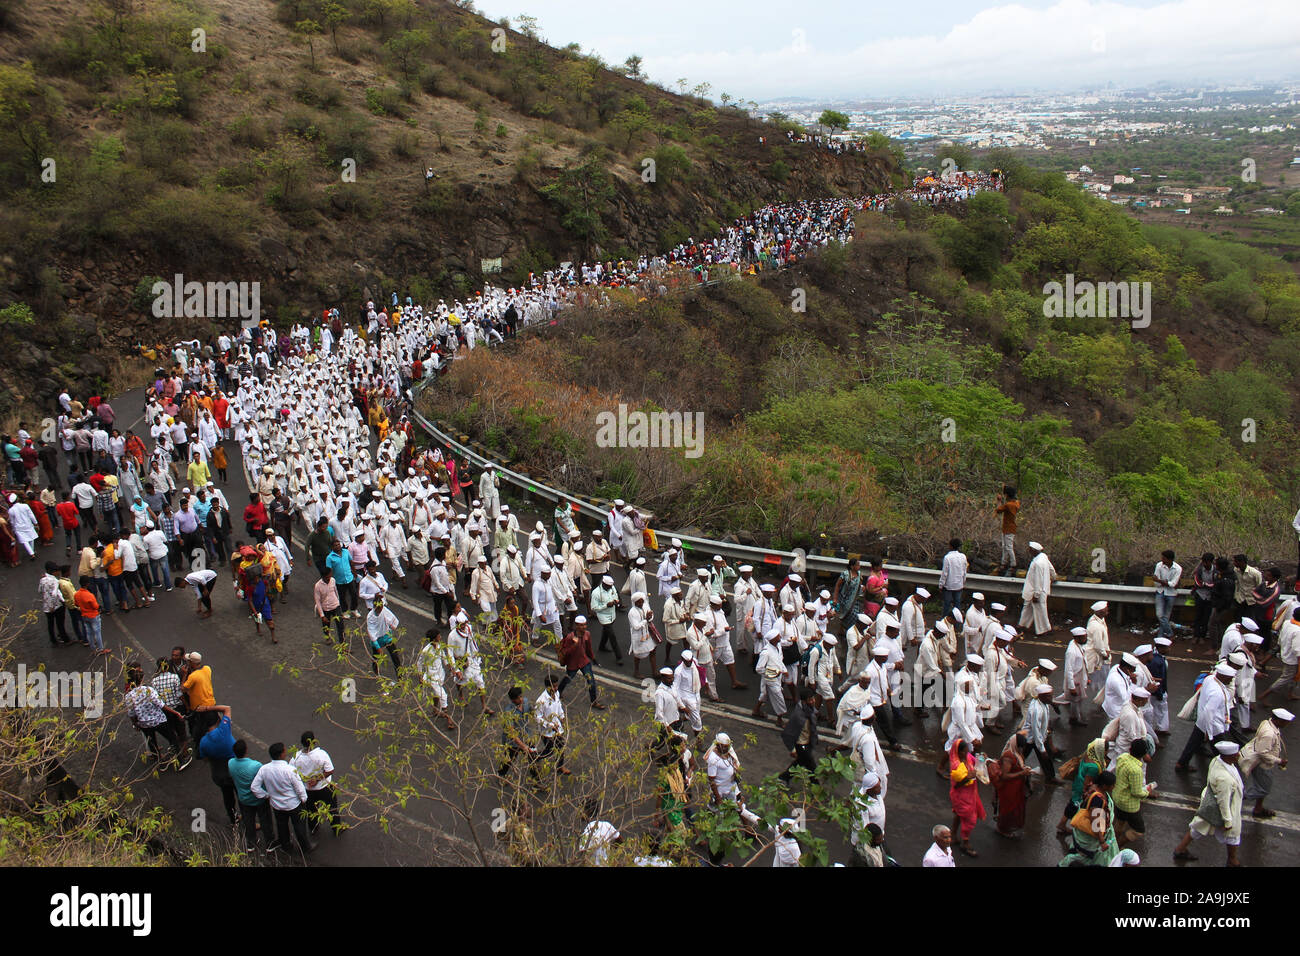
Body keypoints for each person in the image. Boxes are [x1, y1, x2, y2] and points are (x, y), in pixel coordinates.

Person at [1173, 741, 1245, 866]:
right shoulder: (1225, 778)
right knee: (1233, 833)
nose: (1238, 755)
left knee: (1198, 826)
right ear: (1229, 756)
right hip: (1225, 807)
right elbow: (1223, 801)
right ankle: (1232, 860)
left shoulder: (1217, 760)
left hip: (1210, 803)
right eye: (1236, 753)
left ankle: (1180, 849)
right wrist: (1228, 821)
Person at [251, 742, 315, 855]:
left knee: (282, 826)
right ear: (281, 754)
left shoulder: (264, 769)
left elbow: (254, 787)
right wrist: (303, 799)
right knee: (299, 826)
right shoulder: (290, 770)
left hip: (277, 805)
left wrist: (266, 795)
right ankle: (305, 847)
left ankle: (286, 845)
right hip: (293, 804)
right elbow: (300, 789)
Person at [124, 662, 185, 767]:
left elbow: (131, 713)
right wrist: (176, 713)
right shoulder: (148, 690)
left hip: (144, 723)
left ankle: (159, 762)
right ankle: (180, 760)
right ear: (141, 680)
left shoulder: (129, 696)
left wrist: (135, 724)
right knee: (172, 738)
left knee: (152, 742)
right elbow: (161, 705)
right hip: (158, 720)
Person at [1239, 707, 1292, 819]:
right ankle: (1236, 797)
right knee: (1263, 789)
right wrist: (1279, 761)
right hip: (1263, 765)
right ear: (1279, 720)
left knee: (1262, 785)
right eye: (1285, 722)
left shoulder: (1267, 723)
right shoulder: (1269, 734)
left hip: (1266, 762)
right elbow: (1262, 753)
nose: (1287, 724)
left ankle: (1258, 808)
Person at [1059, 770, 1118, 866]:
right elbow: (1095, 822)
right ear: (1104, 785)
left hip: (1087, 835)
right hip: (1090, 837)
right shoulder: (1097, 800)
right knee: (1084, 857)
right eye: (1112, 785)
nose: (1114, 787)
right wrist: (1102, 841)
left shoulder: (1095, 790)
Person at [292, 731, 344, 836]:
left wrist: (306, 780)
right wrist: (316, 779)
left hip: (308, 789)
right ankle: (336, 828)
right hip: (324, 787)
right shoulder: (321, 754)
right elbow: (330, 770)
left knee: (311, 810)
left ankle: (313, 828)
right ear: (313, 742)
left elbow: (292, 773)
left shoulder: (296, 757)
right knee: (332, 808)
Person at [196, 703, 240, 827]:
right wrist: (208, 708)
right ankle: (249, 822)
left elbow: (204, 758)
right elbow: (227, 708)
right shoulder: (224, 730)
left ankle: (233, 819)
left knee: (227, 797)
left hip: (218, 774)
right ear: (217, 720)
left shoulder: (203, 742)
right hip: (233, 771)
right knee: (241, 795)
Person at [228, 739, 273, 853]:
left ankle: (251, 843)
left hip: (243, 798)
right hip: (258, 799)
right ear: (246, 750)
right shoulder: (255, 765)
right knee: (265, 820)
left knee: (248, 820)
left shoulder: (231, 763)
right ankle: (269, 842)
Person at [1112, 738, 1156, 847]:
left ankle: (1111, 844)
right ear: (1143, 754)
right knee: (1138, 830)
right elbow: (1136, 792)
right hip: (1129, 805)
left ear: (1130, 749)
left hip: (1118, 797)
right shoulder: (1136, 770)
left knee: (1120, 823)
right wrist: (1147, 792)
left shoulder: (1122, 758)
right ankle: (1117, 846)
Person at [948, 737, 986, 857]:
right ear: (958, 752)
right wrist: (968, 777)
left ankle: (953, 835)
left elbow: (975, 761)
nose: (966, 753)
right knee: (969, 819)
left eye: (966, 751)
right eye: (963, 751)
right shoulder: (956, 765)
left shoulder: (967, 757)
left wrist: (982, 758)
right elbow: (957, 785)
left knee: (960, 815)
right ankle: (965, 842)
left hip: (970, 794)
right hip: (961, 796)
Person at [557, 616, 604, 709]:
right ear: (577, 626)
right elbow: (566, 652)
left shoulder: (587, 634)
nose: (584, 627)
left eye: (585, 625)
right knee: (567, 679)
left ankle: (593, 701)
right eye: (582, 625)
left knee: (591, 682)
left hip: (584, 662)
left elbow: (589, 649)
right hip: (573, 663)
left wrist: (593, 658)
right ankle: (558, 692)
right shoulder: (570, 637)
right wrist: (574, 645)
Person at [992, 733, 1031, 837]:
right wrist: (1022, 773)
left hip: (1017, 788)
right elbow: (1004, 776)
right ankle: (1002, 829)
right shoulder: (1008, 756)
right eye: (1020, 747)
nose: (1021, 749)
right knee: (1007, 809)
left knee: (1013, 808)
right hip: (1009, 789)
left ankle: (1007, 827)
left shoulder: (1017, 754)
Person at [779, 687, 820, 783]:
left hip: (807, 742)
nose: (813, 701)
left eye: (813, 698)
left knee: (800, 762)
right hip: (801, 745)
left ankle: (784, 777)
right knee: (812, 767)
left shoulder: (809, 710)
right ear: (804, 702)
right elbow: (787, 733)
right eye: (810, 700)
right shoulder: (798, 716)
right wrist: (793, 749)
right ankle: (816, 789)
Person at [534, 675, 571, 776]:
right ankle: (535, 758)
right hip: (547, 731)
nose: (556, 688)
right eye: (553, 687)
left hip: (557, 728)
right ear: (548, 687)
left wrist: (562, 717)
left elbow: (558, 707)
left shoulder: (557, 694)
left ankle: (560, 766)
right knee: (549, 750)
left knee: (560, 746)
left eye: (556, 686)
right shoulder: (541, 701)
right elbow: (538, 718)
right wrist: (550, 725)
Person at [1018, 541, 1057, 635]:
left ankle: (1044, 630)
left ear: (1034, 550)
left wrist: (1036, 594)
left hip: (1036, 590)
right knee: (1028, 608)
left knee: (1040, 611)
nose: (1029, 551)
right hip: (1034, 590)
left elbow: (1038, 580)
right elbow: (1051, 568)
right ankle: (1022, 625)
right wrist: (1054, 576)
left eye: (1030, 550)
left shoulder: (1038, 563)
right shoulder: (1043, 557)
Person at [365, 595, 402, 676]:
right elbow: (372, 633)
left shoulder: (384, 611)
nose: (380, 609)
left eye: (381, 607)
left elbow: (393, 620)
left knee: (395, 657)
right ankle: (376, 673)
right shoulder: (370, 617)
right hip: (378, 640)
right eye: (379, 608)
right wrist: (378, 647)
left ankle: (400, 677)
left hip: (387, 637)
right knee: (376, 658)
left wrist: (392, 626)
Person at [1153, 550, 1182, 641]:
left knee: (1165, 617)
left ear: (1169, 559)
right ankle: (1170, 633)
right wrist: (1166, 583)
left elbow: (1173, 583)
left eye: (1164, 558)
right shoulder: (1159, 565)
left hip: (1171, 594)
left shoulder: (1177, 568)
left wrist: (1160, 581)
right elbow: (1156, 581)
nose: (1162, 560)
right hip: (1161, 591)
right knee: (1160, 615)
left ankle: (1160, 636)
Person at [938, 538, 967, 617]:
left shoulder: (947, 557)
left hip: (949, 586)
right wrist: (963, 582)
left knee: (946, 606)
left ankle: (945, 623)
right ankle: (956, 624)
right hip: (959, 585)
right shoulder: (963, 557)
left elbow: (945, 573)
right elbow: (964, 571)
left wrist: (941, 585)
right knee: (957, 606)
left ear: (950, 546)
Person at [993, 486, 1019, 574]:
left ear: (1007, 495)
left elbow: (998, 510)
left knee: (1008, 547)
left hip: (1008, 528)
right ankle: (1004, 563)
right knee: (1005, 546)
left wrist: (999, 501)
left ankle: (1013, 564)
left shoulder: (1008, 505)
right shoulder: (1016, 503)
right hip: (1008, 528)